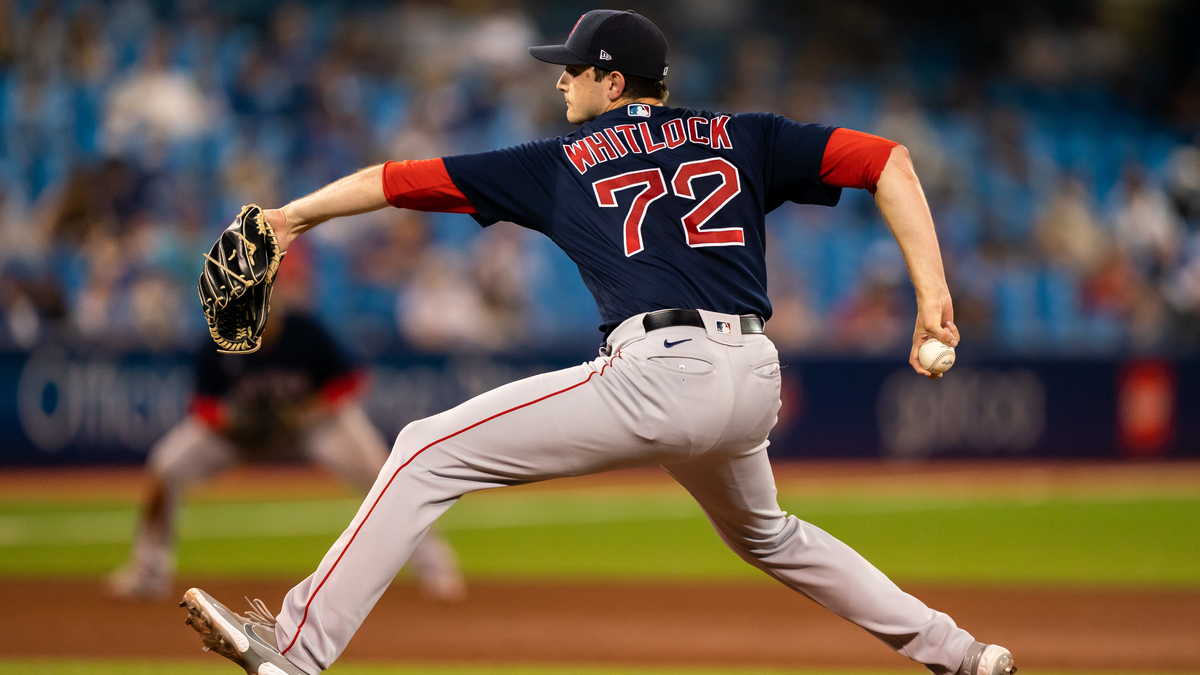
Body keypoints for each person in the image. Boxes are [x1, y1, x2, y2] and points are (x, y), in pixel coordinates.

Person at [180, 10, 1015, 675]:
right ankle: (960, 654)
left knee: (423, 449)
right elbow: (890, 161)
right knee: (771, 535)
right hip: (753, 374)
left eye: (572, 71)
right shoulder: (744, 133)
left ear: (612, 80)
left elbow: (395, 182)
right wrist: (933, 299)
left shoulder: (562, 157)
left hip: (659, 374)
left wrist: (290, 217)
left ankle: (294, 650)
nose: (562, 85)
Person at [111, 305, 466, 603]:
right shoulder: (222, 337)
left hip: (313, 424)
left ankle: (436, 566)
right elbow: (203, 407)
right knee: (165, 466)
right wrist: (236, 424)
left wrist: (301, 413)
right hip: (243, 434)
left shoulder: (304, 332)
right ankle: (149, 570)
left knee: (385, 475)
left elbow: (349, 383)